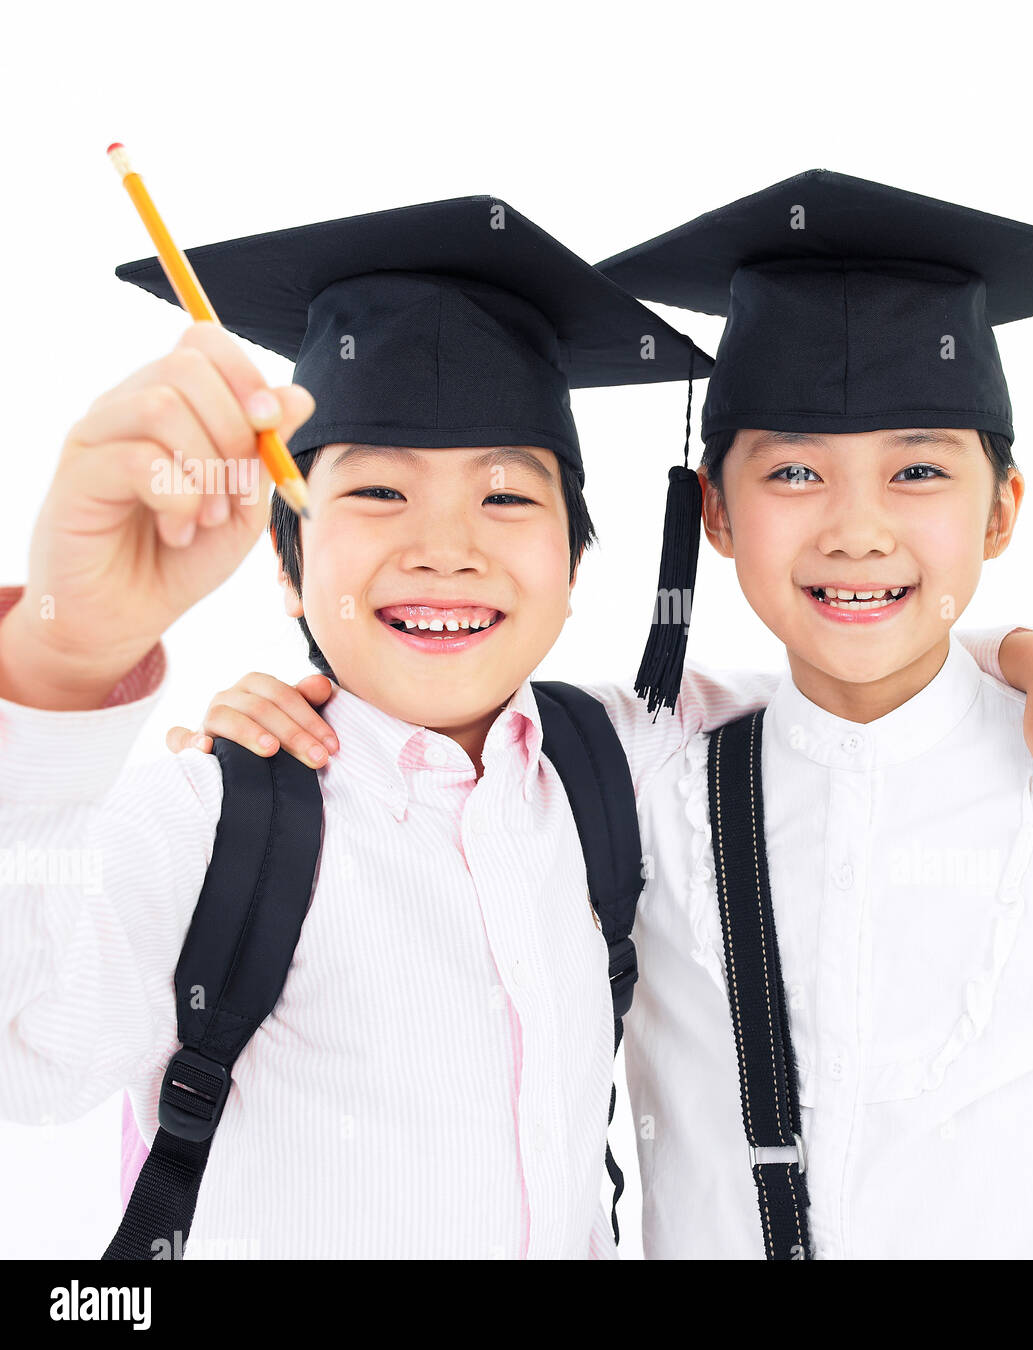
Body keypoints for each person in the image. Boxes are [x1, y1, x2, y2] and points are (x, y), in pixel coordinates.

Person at [167, 175, 1033, 1259]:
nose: (856, 531)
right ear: (709, 508)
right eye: (794, 470)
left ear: (1002, 509)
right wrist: (242, 756)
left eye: (916, 469)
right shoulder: (641, 778)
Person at [0, 194, 710, 1259]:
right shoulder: (210, 818)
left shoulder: (626, 762)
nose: (444, 548)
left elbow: (845, 699)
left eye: (508, 498)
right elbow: (26, 1056)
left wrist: (1032, 655)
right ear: (285, 563)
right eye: (377, 488)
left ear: (573, 568)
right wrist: (59, 666)